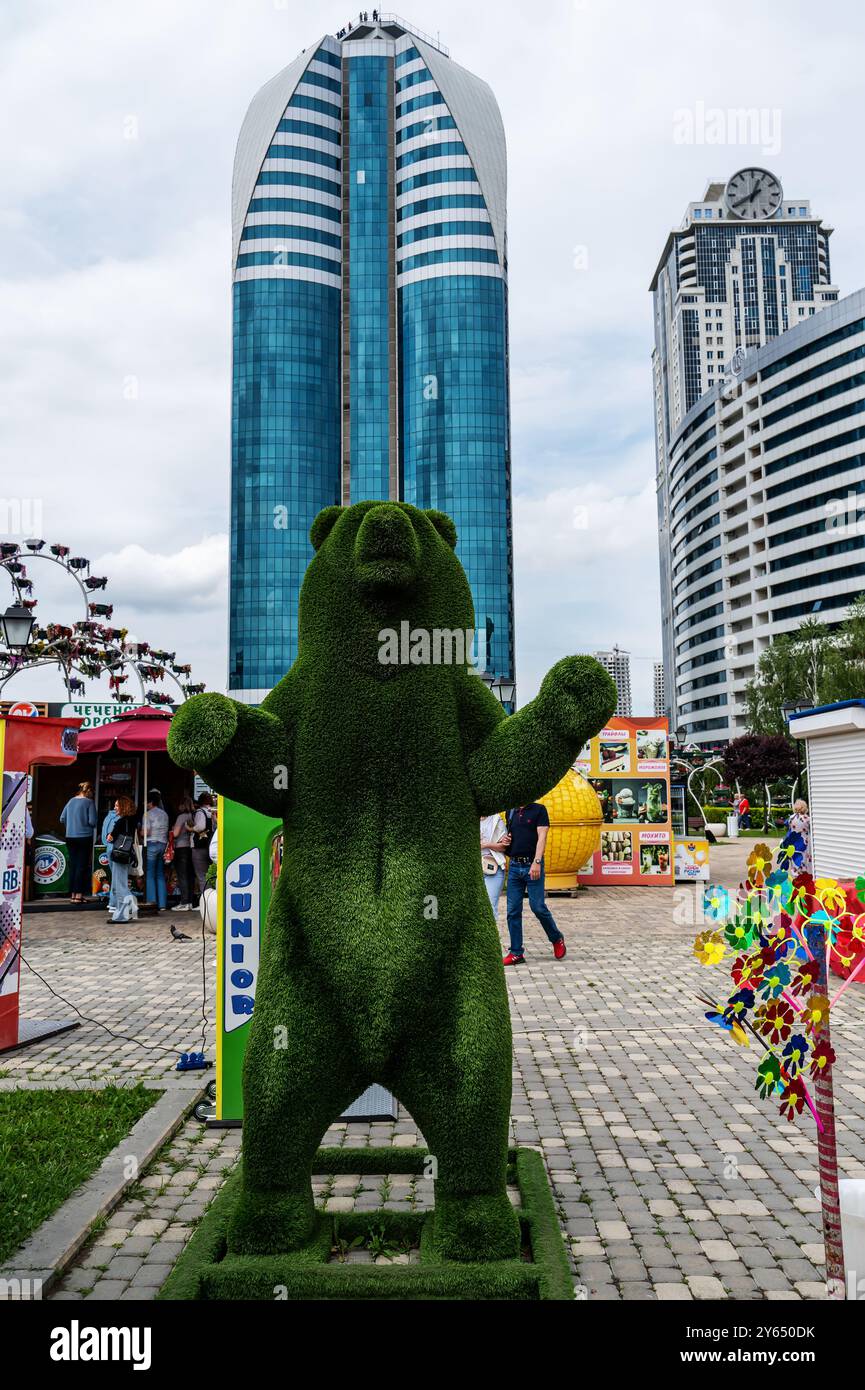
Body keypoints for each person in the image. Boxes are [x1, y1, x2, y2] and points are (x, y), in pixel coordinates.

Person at [503, 803, 566, 966]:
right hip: (515, 866)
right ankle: (516, 952)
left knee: (537, 906)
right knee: (512, 911)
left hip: (533, 865)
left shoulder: (539, 810)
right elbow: (510, 837)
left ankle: (556, 938)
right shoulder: (511, 810)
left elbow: (542, 837)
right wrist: (506, 839)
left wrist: (537, 862)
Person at [59, 781, 97, 903]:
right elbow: (93, 821)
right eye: (92, 792)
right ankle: (79, 896)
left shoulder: (70, 801)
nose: (92, 794)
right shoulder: (89, 803)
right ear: (88, 791)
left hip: (70, 837)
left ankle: (73, 895)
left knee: (74, 866)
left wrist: (71, 826)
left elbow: (62, 818)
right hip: (84, 837)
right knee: (82, 866)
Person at [103, 795, 138, 918]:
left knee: (119, 884)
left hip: (118, 854)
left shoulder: (121, 821)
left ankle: (122, 913)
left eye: (117, 805)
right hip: (127, 854)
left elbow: (110, 838)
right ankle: (131, 909)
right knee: (123, 881)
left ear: (123, 806)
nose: (115, 808)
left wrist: (109, 835)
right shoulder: (133, 820)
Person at [143, 789, 169, 911]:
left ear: (150, 802)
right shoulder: (164, 814)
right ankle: (163, 904)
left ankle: (151, 902)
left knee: (150, 874)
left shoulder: (147, 814)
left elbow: (146, 832)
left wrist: (140, 831)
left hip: (152, 843)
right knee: (160, 874)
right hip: (163, 844)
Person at [480, 812, 509, 913]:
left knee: (490, 906)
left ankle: (492, 928)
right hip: (473, 869)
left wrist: (486, 845)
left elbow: (504, 846)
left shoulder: (496, 820)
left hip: (493, 869)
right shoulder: (469, 819)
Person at [172, 794, 195, 911]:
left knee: (182, 875)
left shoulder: (181, 817)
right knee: (190, 875)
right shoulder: (192, 815)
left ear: (182, 805)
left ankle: (184, 902)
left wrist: (171, 830)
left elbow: (175, 833)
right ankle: (190, 901)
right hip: (190, 847)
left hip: (181, 847)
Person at [189, 794, 214, 903]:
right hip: (209, 845)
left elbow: (200, 827)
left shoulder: (200, 812)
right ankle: (212, 900)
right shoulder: (212, 811)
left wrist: (190, 828)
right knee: (209, 874)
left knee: (201, 875)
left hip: (199, 846)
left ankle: (205, 901)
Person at [788, 798, 813, 874]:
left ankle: (796, 877)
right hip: (804, 843)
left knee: (795, 859)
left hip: (794, 842)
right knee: (804, 860)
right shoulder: (807, 819)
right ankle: (805, 876)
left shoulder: (791, 818)